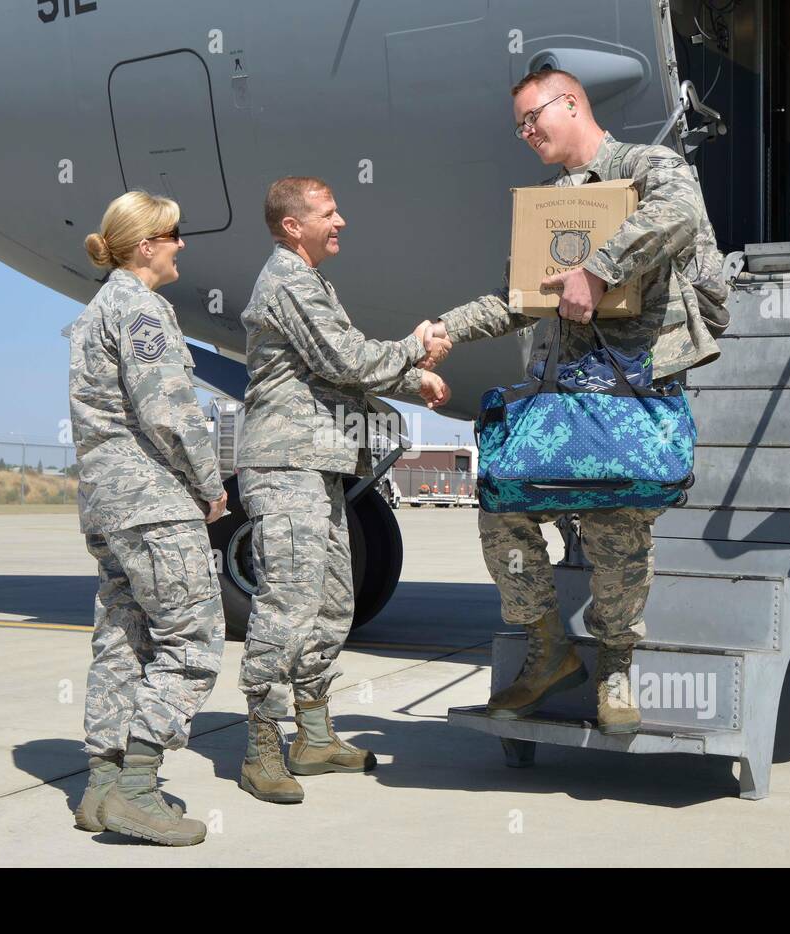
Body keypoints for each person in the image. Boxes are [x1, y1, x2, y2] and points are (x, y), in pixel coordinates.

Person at [425, 68, 722, 733]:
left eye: (534, 118)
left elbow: (678, 214)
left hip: (633, 382)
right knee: (502, 506)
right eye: (520, 126)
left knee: (619, 524)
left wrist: (599, 268)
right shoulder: (549, 204)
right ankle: (547, 643)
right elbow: (518, 298)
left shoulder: (648, 165)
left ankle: (616, 667)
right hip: (564, 387)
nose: (527, 133)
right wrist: (448, 327)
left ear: (572, 104)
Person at [235, 176, 450, 803]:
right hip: (287, 467)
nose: (342, 222)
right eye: (330, 213)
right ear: (292, 225)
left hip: (320, 468)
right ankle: (261, 747)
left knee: (331, 604)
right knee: (287, 605)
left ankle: (315, 735)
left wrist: (414, 381)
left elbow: (332, 373)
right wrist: (416, 346)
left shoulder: (312, 282)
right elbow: (346, 360)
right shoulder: (287, 280)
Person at [68, 190, 229, 845]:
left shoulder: (95, 312)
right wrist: (211, 483)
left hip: (107, 506)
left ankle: (102, 785)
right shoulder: (141, 309)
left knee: (122, 642)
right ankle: (138, 787)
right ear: (145, 246)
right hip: (153, 504)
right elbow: (170, 410)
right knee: (192, 643)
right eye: (173, 233)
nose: (182, 244)